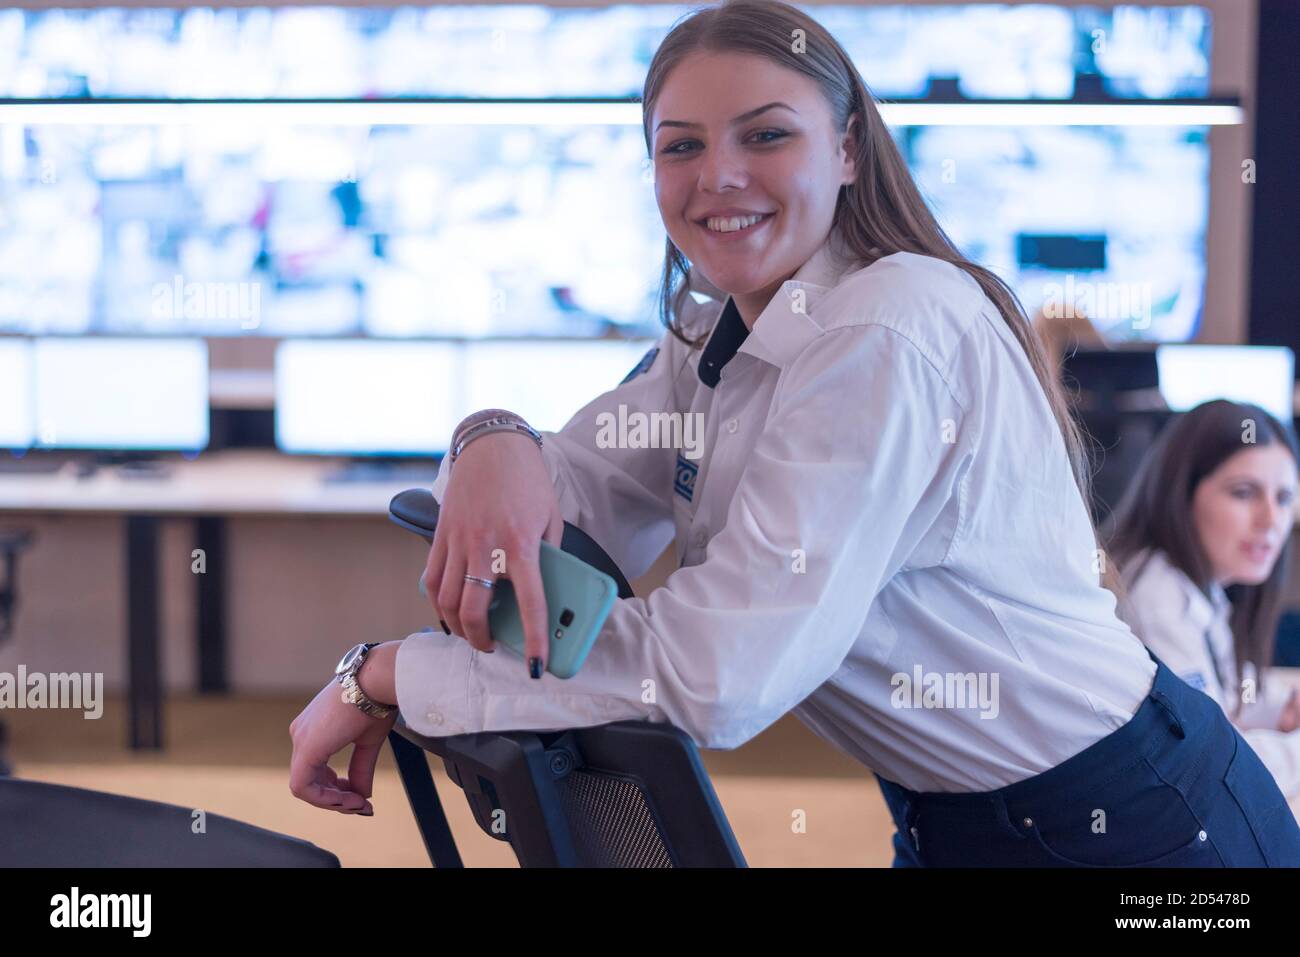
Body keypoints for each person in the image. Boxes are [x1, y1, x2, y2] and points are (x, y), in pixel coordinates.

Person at [289, 0, 1300, 866]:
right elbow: (581, 496)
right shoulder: (724, 330)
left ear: (850, 148)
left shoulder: (885, 325)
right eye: (680, 145)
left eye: (764, 136)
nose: (717, 175)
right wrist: (490, 436)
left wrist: (385, 674)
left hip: (1136, 821)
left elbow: (715, 676)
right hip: (961, 814)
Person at [1106, 399, 1300, 809]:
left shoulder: (1197, 588)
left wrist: (1281, 710)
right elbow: (1214, 769)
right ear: (1182, 492)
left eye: (1284, 498)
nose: (1271, 520)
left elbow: (1218, 702)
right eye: (1244, 493)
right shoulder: (1156, 596)